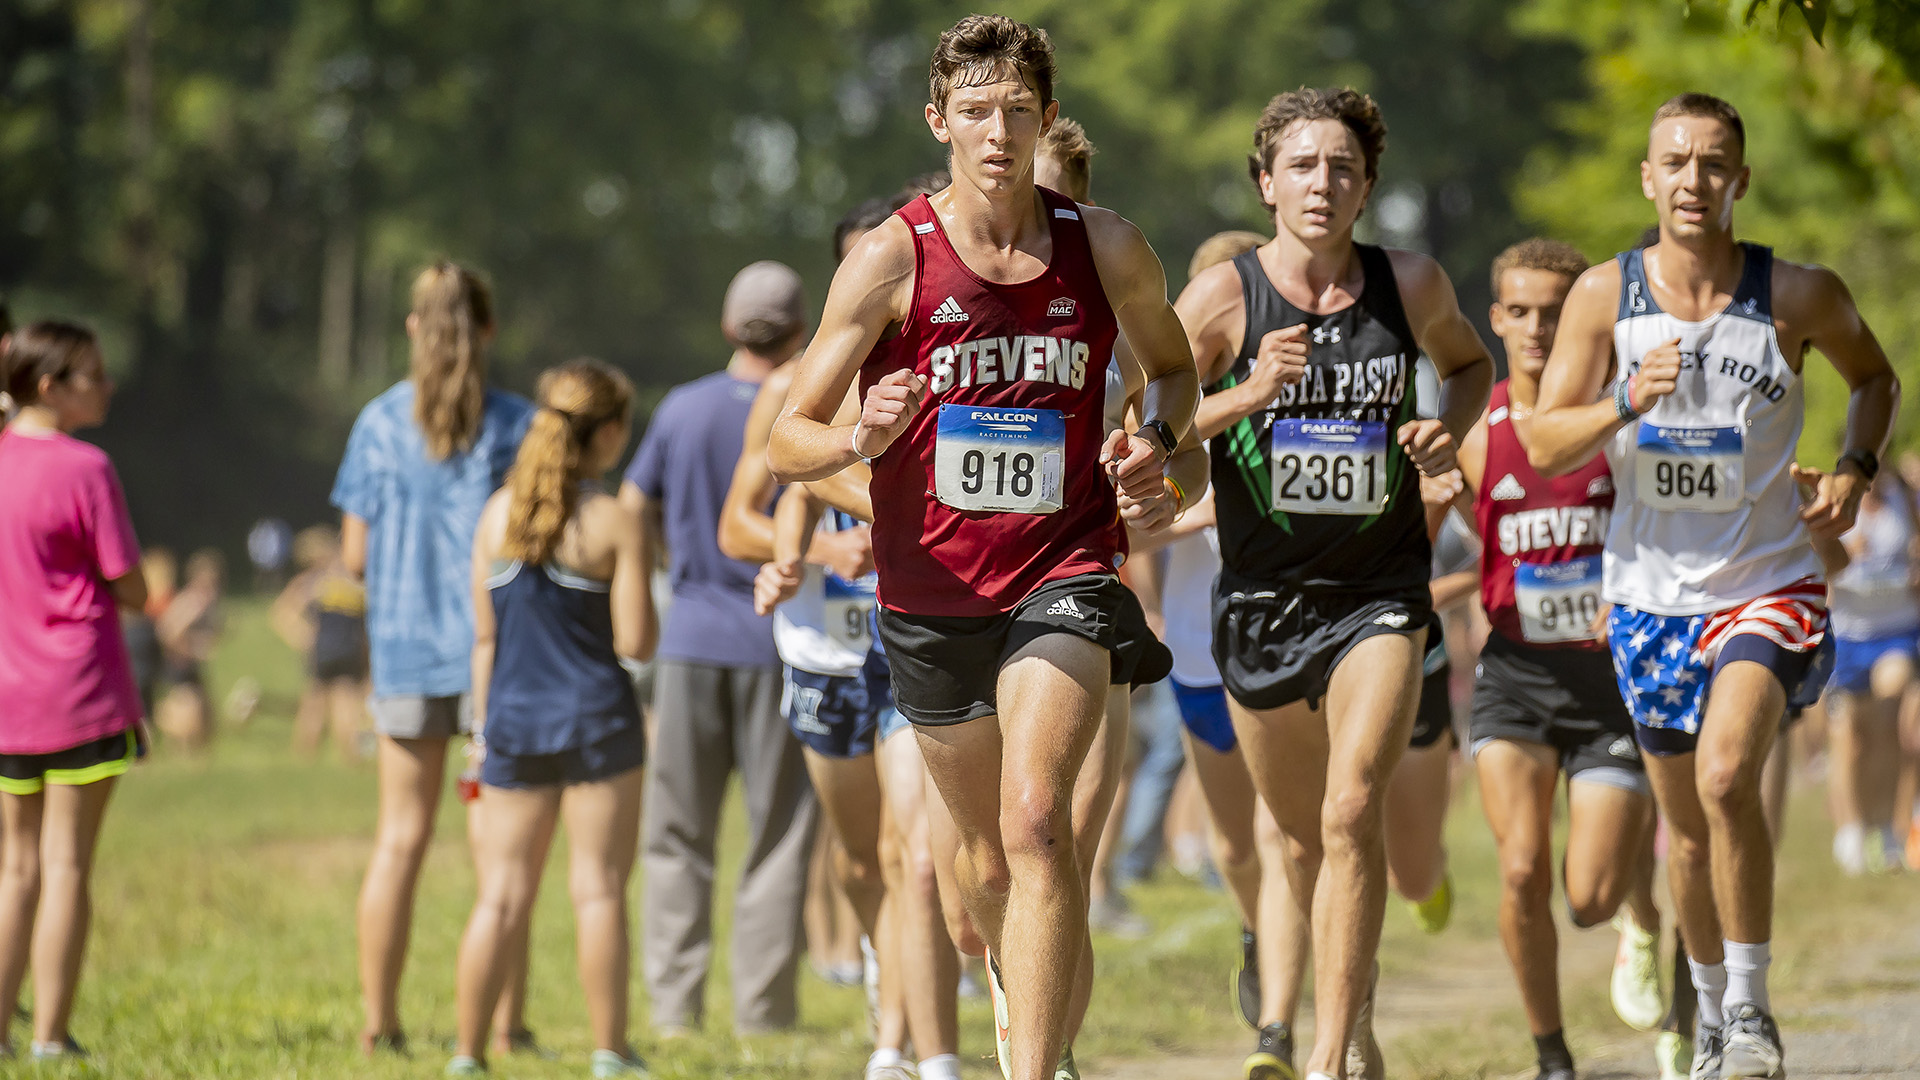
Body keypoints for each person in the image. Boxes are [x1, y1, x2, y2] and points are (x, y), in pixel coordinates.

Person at [767, 16, 1199, 1080]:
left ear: (1046, 117)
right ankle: (1002, 970)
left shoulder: (1103, 244)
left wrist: (1152, 435)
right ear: (939, 122)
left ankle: (1040, 1067)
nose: (997, 132)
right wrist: (859, 438)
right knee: (982, 874)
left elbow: (1175, 371)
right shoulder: (890, 256)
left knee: (1040, 823)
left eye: (1016, 111)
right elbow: (787, 435)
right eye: (975, 112)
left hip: (1066, 569)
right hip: (931, 590)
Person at [1530, 93, 1899, 1080]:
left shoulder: (1799, 295)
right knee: (1685, 836)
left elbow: (1876, 379)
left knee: (1730, 773)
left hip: (1768, 582)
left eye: (1714, 163)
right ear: (1648, 178)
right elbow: (1542, 435)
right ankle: (1705, 1011)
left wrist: (1856, 468)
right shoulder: (1604, 300)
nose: (1694, 179)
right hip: (1648, 598)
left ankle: (1749, 1009)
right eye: (1676, 162)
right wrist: (1621, 398)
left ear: (1741, 180)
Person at [1175, 86, 1493, 1080]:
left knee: (1354, 809)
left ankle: (1322, 1061)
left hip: (1380, 594)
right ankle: (1350, 1021)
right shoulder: (1223, 298)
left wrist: (1450, 428)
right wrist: (1250, 393)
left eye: (1344, 167)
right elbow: (1154, 425)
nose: (1324, 182)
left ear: (1368, 187)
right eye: (1303, 166)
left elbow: (1470, 368)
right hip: (1263, 603)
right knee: (1300, 840)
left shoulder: (1413, 282)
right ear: (1267, 182)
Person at [719, 195, 915, 1078]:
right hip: (825, 649)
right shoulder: (792, 386)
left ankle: (907, 1029)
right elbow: (737, 524)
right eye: (855, 265)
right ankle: (880, 963)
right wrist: (797, 556)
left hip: (914, 636)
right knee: (861, 853)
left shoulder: (941, 365)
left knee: (918, 848)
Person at [1456, 238, 1661, 1080]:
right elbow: (1471, 537)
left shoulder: (1628, 415)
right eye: (1522, 311)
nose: (1539, 328)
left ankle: (1640, 915)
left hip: (1611, 682)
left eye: (1557, 310)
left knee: (1588, 899)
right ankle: (1552, 1056)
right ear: (1497, 318)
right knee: (1520, 868)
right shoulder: (1477, 431)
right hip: (1516, 674)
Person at [331, 260, 536, 1057]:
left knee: (399, 840)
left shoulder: (377, 423)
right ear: (487, 330)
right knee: (501, 856)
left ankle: (380, 1024)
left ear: (413, 327)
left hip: (407, 652)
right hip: (502, 658)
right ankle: (505, 1026)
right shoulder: (518, 423)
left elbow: (353, 556)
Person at [625, 259, 820, 1036]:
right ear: (803, 329)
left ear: (728, 327)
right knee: (777, 835)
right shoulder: (809, 409)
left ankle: (675, 1012)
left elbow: (635, 501)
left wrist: (660, 572)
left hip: (690, 640)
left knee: (677, 834)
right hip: (780, 639)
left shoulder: (680, 409)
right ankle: (763, 1015)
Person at [448, 359, 652, 1078]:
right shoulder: (613, 520)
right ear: (608, 433)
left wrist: (479, 735)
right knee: (597, 889)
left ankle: (467, 1055)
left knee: (500, 895)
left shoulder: (496, 514)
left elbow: (484, 640)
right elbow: (635, 642)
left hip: (510, 724)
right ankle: (610, 1054)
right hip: (600, 722)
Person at [0, 320, 147, 1061]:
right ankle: (50, 1037)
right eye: (94, 374)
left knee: (13, 866)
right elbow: (129, 584)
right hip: (82, 693)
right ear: (50, 386)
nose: (107, 384)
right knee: (65, 865)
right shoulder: (86, 469)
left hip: (6, 702)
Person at [1822, 469, 1919, 874]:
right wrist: (1844, 556)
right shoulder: (1832, 500)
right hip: (1848, 637)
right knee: (1849, 737)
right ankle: (1852, 828)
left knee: (1891, 713)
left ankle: (1891, 827)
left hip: (1896, 631)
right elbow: (1817, 564)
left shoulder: (1905, 497)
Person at [272, 526, 371, 762]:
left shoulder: (314, 581)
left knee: (314, 703)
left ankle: (305, 756)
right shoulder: (354, 580)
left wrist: (302, 635)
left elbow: (282, 612)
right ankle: (350, 756)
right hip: (351, 646)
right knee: (345, 700)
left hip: (323, 648)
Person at [152, 549, 225, 751]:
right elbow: (168, 631)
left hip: (189, 662)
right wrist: (193, 648)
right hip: (178, 662)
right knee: (189, 710)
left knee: (204, 711)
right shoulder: (194, 602)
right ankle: (154, 718)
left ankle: (190, 751)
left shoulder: (205, 601)